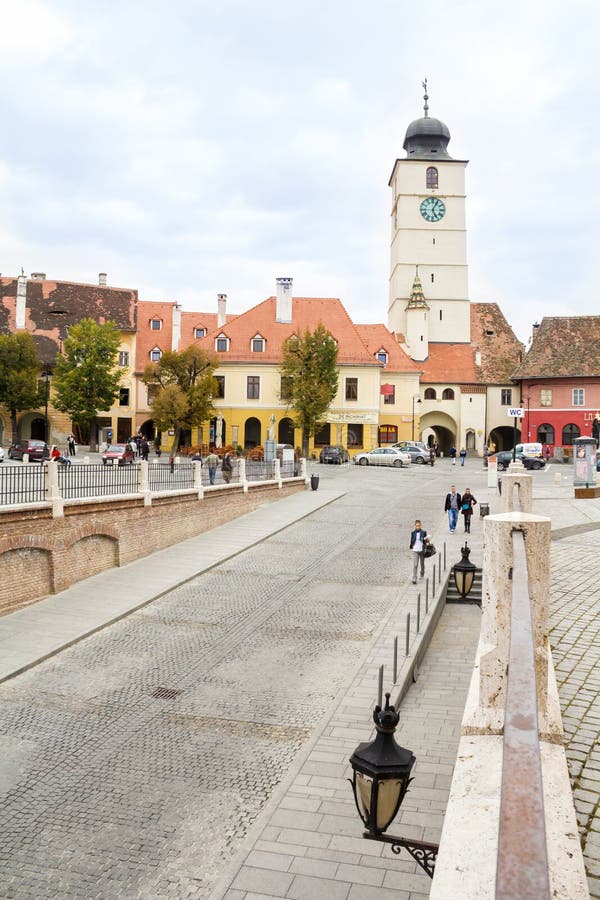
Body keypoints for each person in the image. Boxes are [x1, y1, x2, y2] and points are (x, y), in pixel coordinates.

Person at [409, 519, 429, 584]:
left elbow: (426, 541)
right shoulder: (413, 533)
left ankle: (422, 573)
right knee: (415, 564)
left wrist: (427, 540)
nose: (417, 527)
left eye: (419, 525)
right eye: (416, 525)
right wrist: (411, 546)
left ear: (421, 525)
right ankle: (414, 577)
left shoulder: (423, 532)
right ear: (415, 526)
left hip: (421, 550)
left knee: (422, 563)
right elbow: (412, 540)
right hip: (415, 550)